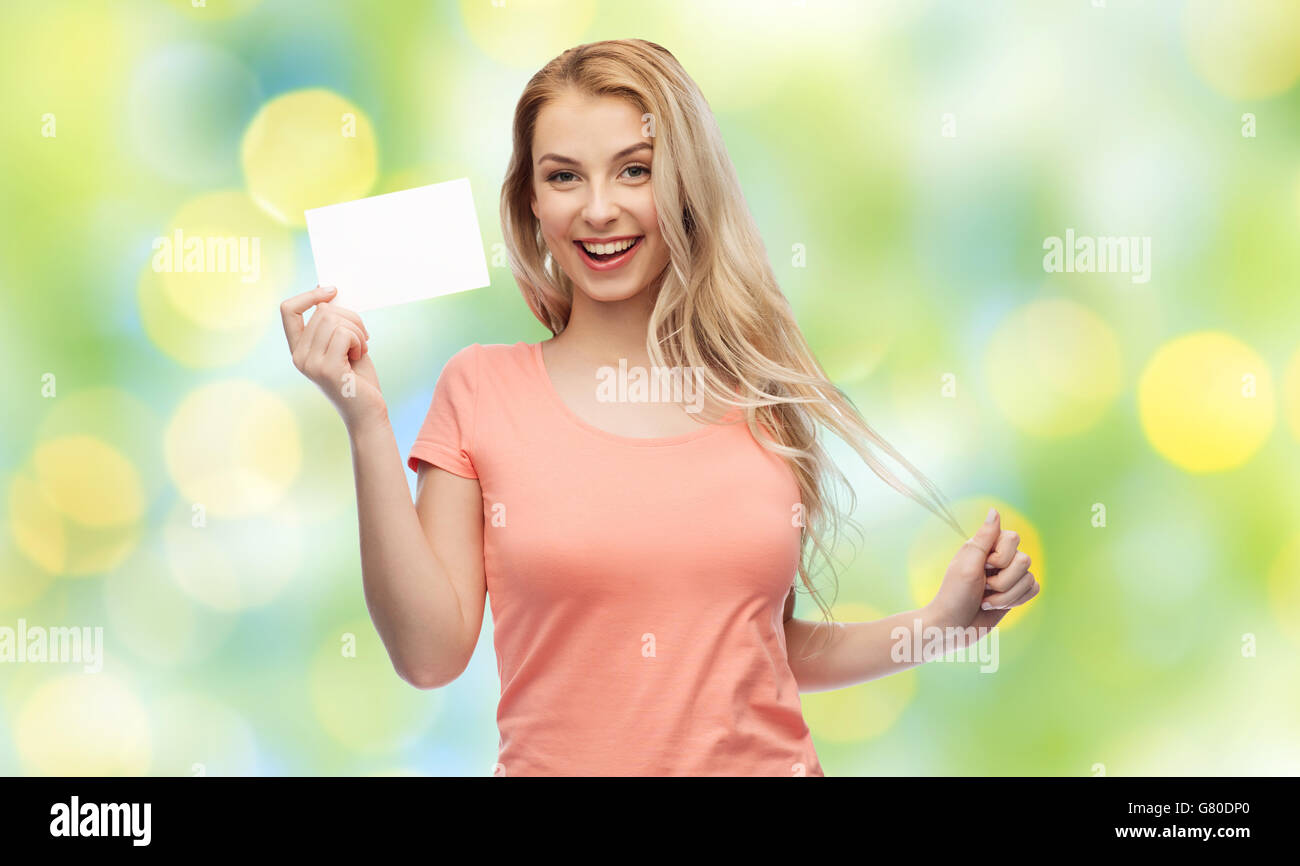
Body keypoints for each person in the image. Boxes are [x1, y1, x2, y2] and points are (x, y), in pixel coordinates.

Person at [280, 38, 1040, 776]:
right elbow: (429, 656)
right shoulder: (480, 389)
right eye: (565, 177)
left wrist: (938, 628)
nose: (600, 209)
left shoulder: (759, 397)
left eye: (634, 170)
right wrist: (366, 421)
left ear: (684, 184)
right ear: (532, 201)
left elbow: (757, 649)